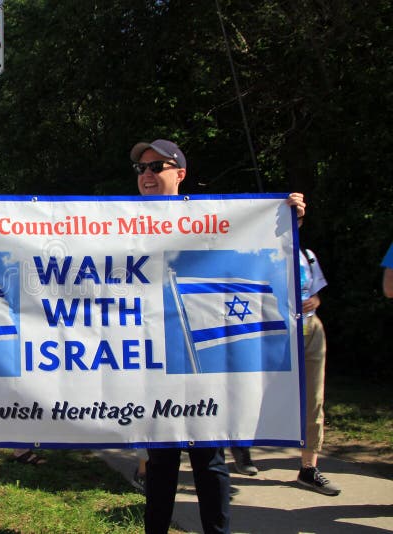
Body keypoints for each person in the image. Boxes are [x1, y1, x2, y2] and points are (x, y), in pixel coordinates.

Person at [130, 139, 306, 534]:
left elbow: (251, 246)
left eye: (157, 167)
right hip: (154, 357)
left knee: (208, 459)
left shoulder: (209, 218)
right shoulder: (120, 217)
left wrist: (286, 220)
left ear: (180, 173)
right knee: (160, 461)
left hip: (201, 358)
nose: (147, 175)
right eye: (141, 169)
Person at [295, 220, 340, 495]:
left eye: (298, 220)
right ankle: (243, 451)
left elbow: (316, 293)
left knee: (313, 399)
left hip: (311, 329)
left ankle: (308, 467)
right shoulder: (258, 254)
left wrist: (315, 302)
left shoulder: (307, 254)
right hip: (275, 333)